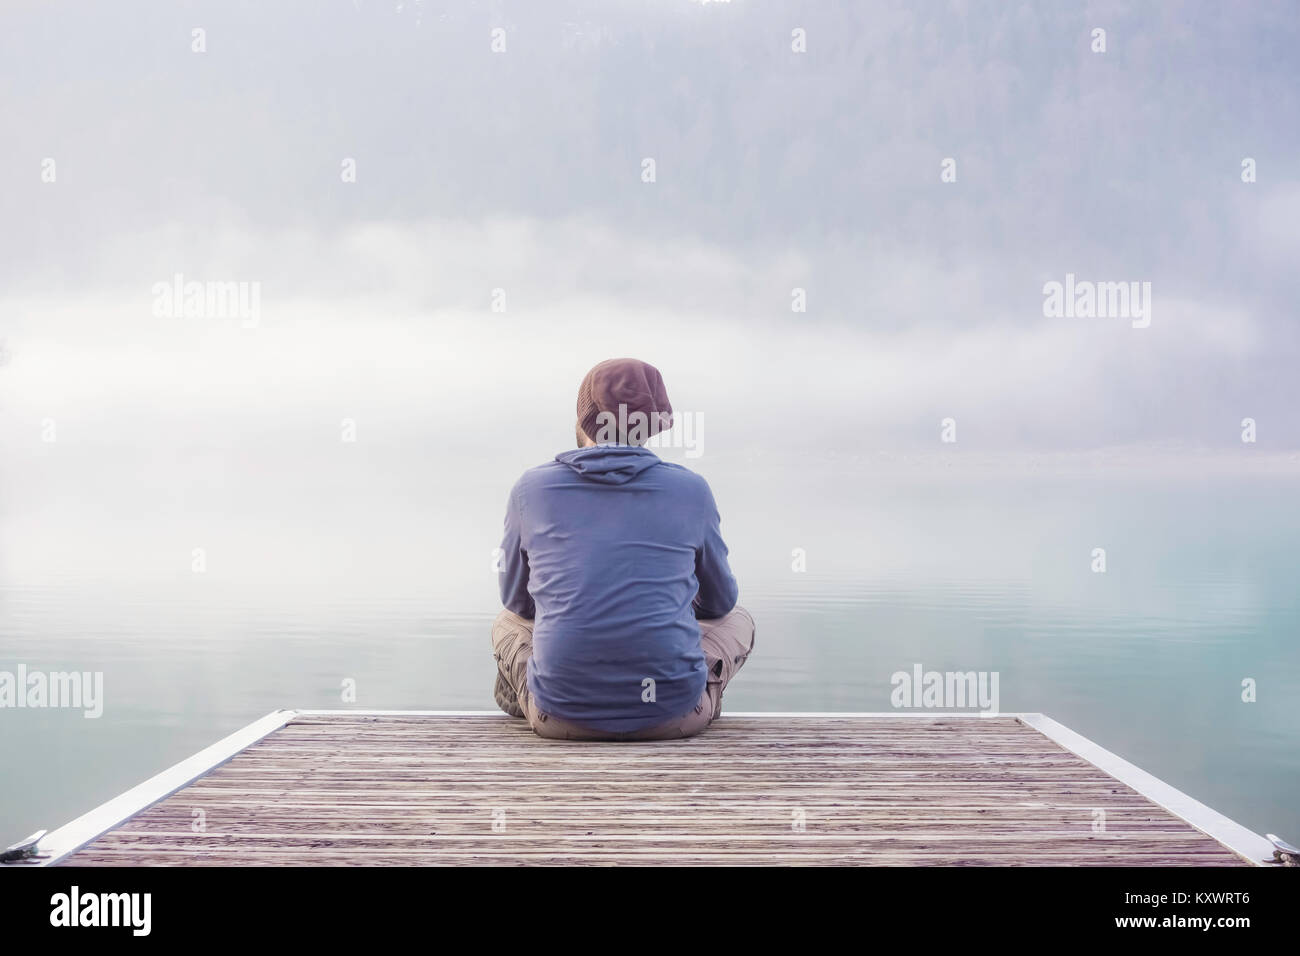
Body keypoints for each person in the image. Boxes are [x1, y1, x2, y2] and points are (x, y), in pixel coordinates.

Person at [491, 358, 754, 741]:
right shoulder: (690, 490)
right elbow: (720, 603)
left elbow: (516, 602)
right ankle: (698, 694)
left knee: (505, 623)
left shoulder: (531, 490)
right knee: (740, 619)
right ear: (653, 425)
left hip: (559, 717)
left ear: (583, 418)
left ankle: (530, 690)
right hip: (672, 717)